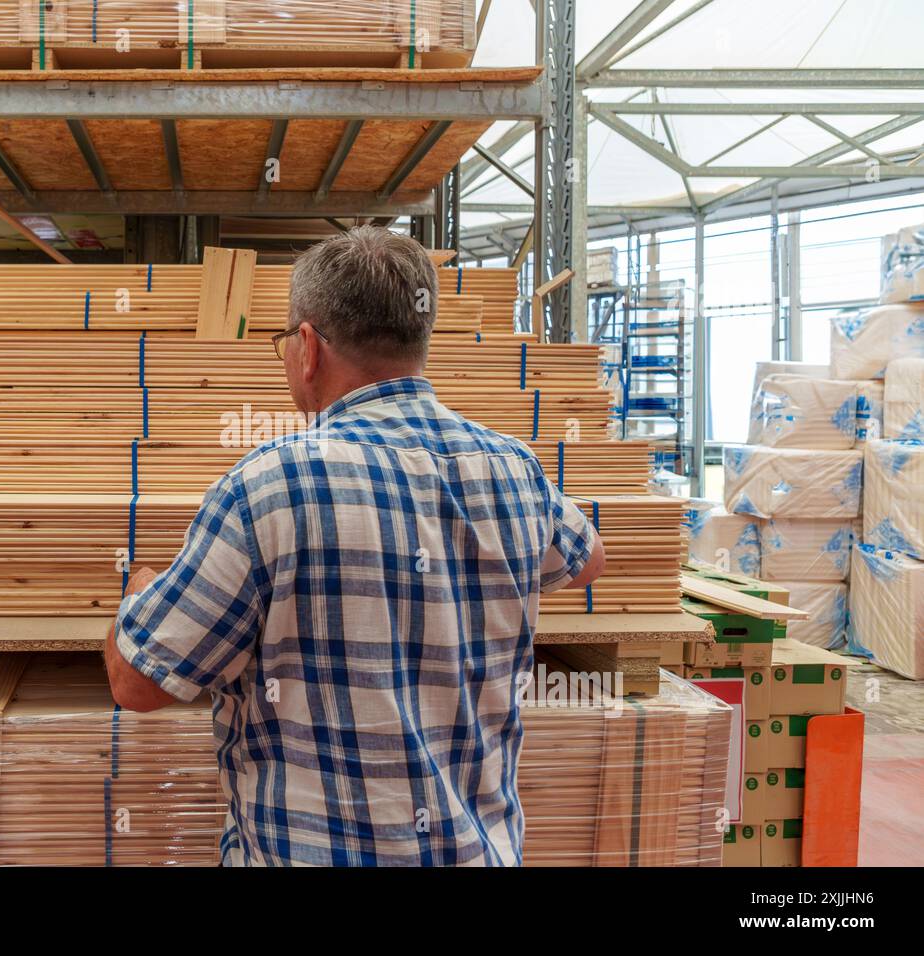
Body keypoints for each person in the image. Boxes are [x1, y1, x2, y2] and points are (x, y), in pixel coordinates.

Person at [104, 226, 605, 866]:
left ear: (307, 348)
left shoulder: (266, 489)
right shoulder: (513, 468)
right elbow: (589, 560)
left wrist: (139, 594)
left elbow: (138, 683)